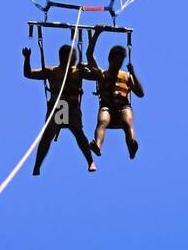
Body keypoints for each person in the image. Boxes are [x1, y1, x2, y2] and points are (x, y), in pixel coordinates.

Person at [23, 34, 101, 175]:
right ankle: (37, 166)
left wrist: (89, 65)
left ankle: (90, 161)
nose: (75, 59)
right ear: (66, 57)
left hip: (72, 108)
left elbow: (98, 77)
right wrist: (27, 58)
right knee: (47, 136)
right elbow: (28, 74)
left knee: (79, 134)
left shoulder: (78, 71)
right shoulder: (53, 71)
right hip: (59, 107)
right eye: (73, 56)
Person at [89, 30, 144, 160]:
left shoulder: (127, 76)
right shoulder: (102, 74)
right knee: (102, 120)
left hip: (123, 107)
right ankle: (97, 145)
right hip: (107, 107)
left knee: (127, 121)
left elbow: (140, 94)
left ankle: (131, 145)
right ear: (110, 60)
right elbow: (89, 55)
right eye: (116, 61)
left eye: (120, 62)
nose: (118, 64)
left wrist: (133, 73)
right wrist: (96, 34)